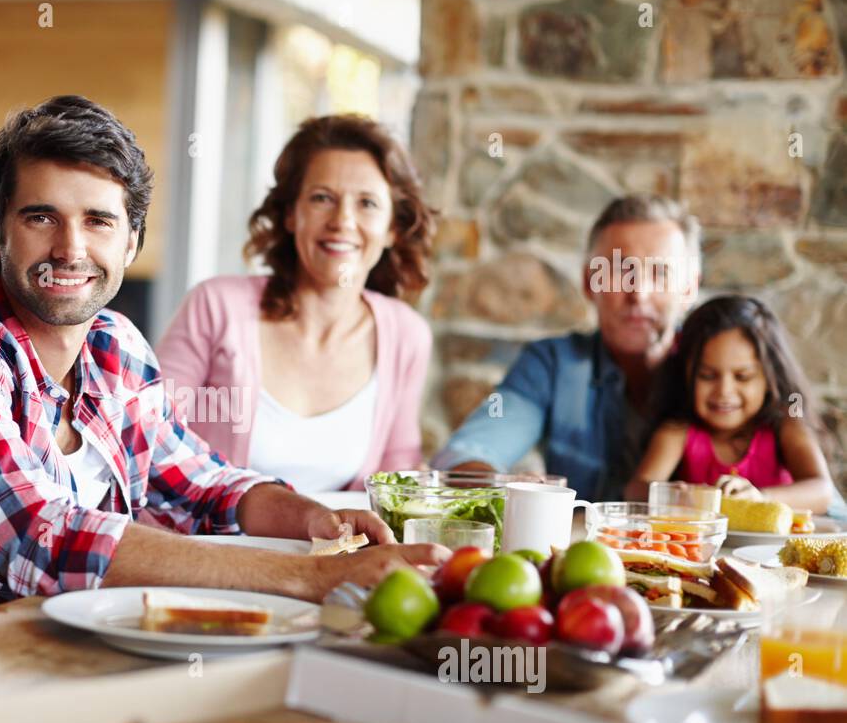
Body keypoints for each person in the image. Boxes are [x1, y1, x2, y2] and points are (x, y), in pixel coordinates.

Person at [0, 95, 446, 602]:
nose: (70, 249)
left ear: (131, 241)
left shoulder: (115, 346)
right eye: (42, 218)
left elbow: (203, 486)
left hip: (90, 640)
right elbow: (30, 532)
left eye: (98, 221)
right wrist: (309, 575)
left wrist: (314, 519)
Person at [156, 114, 435, 491]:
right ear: (290, 214)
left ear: (392, 229)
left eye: (367, 203)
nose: (343, 221)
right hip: (216, 546)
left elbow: (397, 470)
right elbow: (148, 438)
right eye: (322, 198)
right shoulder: (216, 306)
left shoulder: (407, 334)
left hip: (335, 550)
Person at [432, 194, 702, 502]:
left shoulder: (724, 373)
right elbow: (464, 455)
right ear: (589, 283)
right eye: (617, 271)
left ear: (689, 287)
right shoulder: (551, 364)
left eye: (660, 272)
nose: (637, 292)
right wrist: (502, 487)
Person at [626, 295, 839, 514]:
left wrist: (761, 498)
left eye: (743, 377)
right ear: (685, 375)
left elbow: (822, 492)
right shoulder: (677, 432)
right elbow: (635, 489)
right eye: (707, 376)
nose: (724, 391)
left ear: (770, 378)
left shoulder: (786, 426)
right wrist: (672, 494)